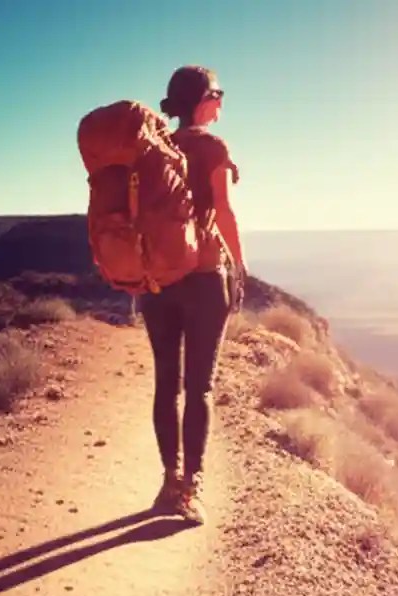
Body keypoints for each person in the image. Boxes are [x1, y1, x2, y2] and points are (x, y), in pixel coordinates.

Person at [142, 64, 246, 523]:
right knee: (199, 387)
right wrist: (238, 267)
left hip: (159, 281)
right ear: (203, 99)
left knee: (167, 383)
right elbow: (223, 210)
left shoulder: (153, 148)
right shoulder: (212, 146)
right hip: (204, 277)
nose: (222, 102)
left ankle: (169, 479)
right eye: (219, 93)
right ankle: (191, 487)